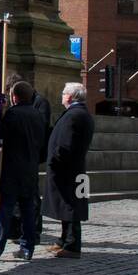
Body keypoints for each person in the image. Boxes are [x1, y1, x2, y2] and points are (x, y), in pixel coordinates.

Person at [0, 81, 47, 262]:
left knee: (6, 210)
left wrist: (1, 112)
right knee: (28, 211)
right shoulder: (38, 115)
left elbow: (0, 134)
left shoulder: (13, 114)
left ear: (14, 97)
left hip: (12, 170)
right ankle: (27, 249)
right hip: (30, 169)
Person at [43, 82, 94, 259]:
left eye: (64, 93)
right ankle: (64, 239)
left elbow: (65, 144)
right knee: (66, 205)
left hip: (67, 170)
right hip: (72, 169)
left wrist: (54, 161)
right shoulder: (79, 113)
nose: (62, 96)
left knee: (70, 206)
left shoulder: (75, 115)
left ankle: (72, 245)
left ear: (70, 97)